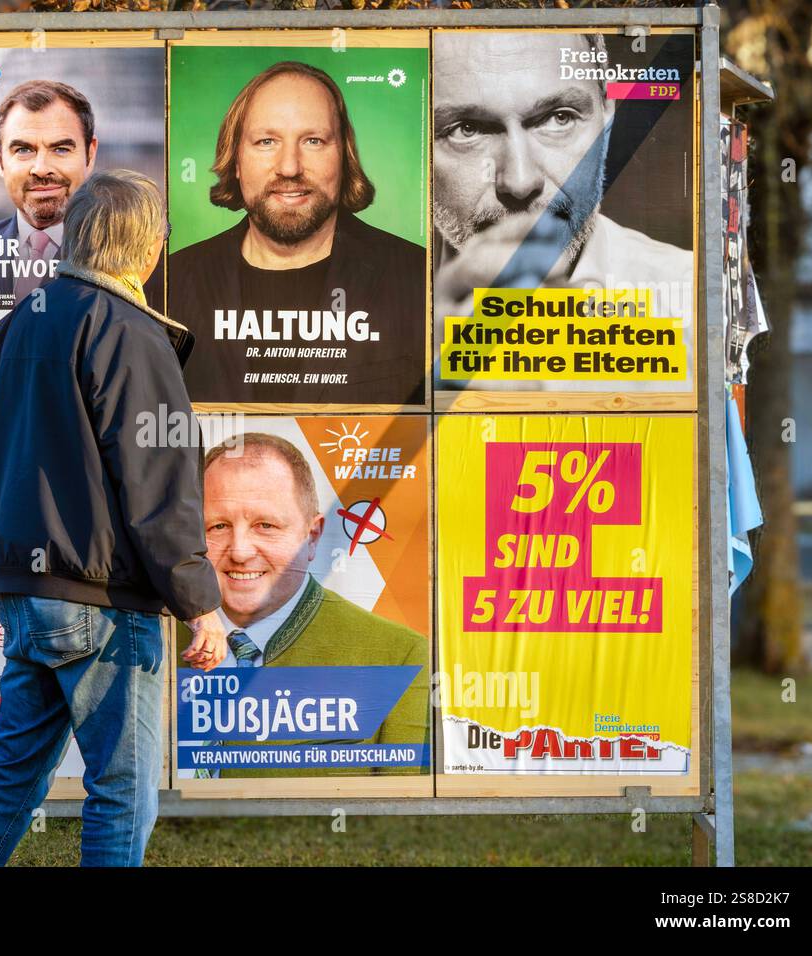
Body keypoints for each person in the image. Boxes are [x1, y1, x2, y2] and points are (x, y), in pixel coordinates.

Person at [0, 170, 227, 868]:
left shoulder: (13, 326)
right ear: (150, 247)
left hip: (24, 592)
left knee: (9, 777)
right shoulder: (128, 331)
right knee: (122, 792)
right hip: (99, 600)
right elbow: (158, 485)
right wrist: (199, 602)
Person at [431, 32, 693, 388]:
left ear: (608, 118)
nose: (520, 181)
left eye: (558, 118)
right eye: (467, 129)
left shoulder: (691, 302)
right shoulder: (372, 316)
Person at [168, 61, 426, 405]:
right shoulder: (167, 285)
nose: (290, 166)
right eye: (266, 141)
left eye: (314, 140)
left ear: (344, 158)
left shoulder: (422, 280)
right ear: (237, 161)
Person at [176, 432, 429, 778]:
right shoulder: (145, 643)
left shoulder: (396, 653)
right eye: (218, 526)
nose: (240, 551)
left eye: (265, 525)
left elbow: (402, 814)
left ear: (312, 538)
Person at [0, 80, 165, 311]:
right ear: (0, 160)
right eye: (23, 150)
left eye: (61, 149)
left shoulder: (138, 260)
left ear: (90, 155)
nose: (41, 168)